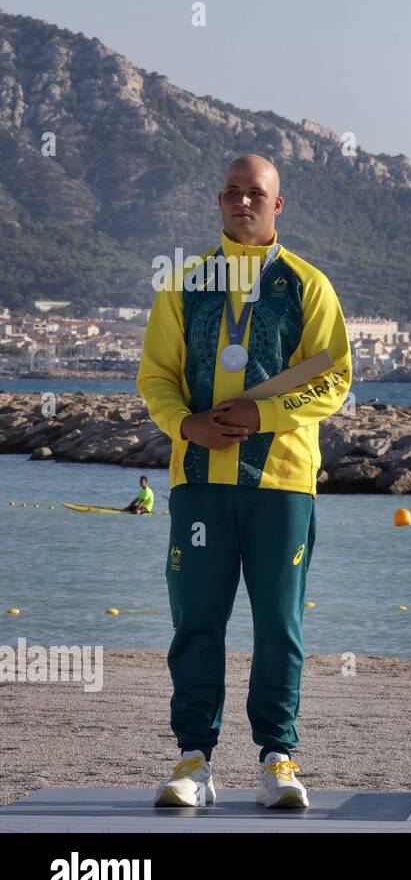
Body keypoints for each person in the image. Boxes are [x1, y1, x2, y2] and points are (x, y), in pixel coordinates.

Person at [137, 154, 352, 809]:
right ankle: (194, 757)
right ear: (219, 201)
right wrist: (184, 426)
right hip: (200, 481)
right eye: (231, 192)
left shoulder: (306, 284)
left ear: (277, 205)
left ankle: (277, 758)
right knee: (196, 619)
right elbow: (155, 376)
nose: (242, 201)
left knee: (278, 624)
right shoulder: (185, 283)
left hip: (281, 483)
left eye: (254, 192)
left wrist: (268, 413)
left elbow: (333, 375)